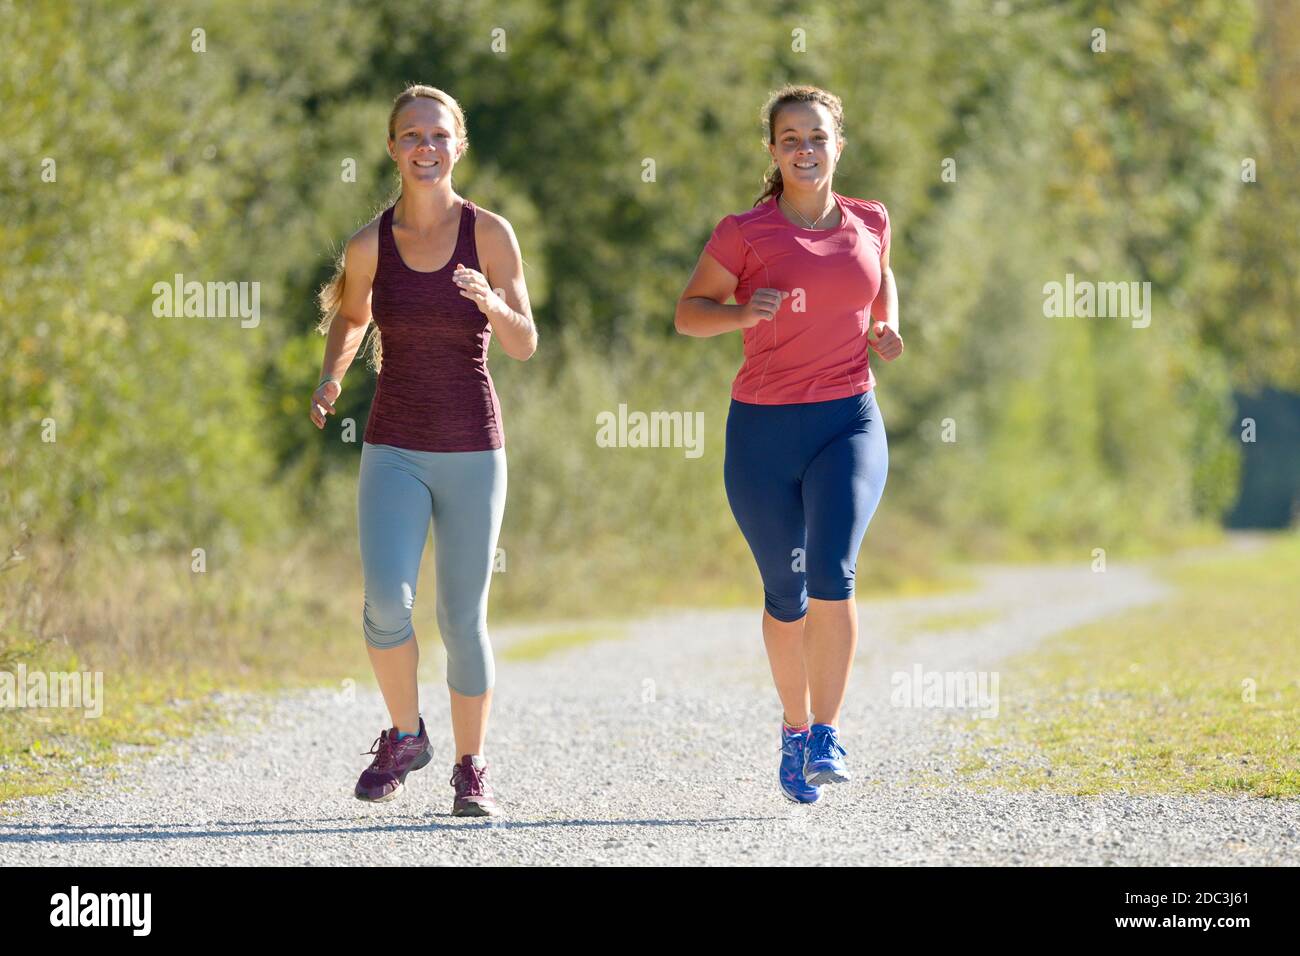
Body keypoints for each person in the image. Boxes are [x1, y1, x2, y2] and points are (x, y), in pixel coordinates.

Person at [311, 84, 537, 816]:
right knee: (384, 603)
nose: (426, 147)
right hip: (395, 446)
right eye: (411, 136)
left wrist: (492, 303)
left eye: (438, 135)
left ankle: (472, 769)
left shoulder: (491, 234)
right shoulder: (370, 244)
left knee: (462, 620)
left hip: (473, 446)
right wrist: (331, 377)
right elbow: (350, 317)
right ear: (392, 149)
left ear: (459, 145)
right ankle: (406, 735)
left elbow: (525, 342)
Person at [674, 84, 903, 804]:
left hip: (849, 422)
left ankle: (828, 732)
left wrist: (883, 325)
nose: (806, 150)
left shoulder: (870, 218)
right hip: (764, 432)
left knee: (834, 570)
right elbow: (688, 315)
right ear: (773, 151)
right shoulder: (744, 233)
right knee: (786, 594)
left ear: (840, 143)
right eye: (791, 139)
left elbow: (879, 281)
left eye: (817, 137)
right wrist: (741, 312)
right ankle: (796, 728)